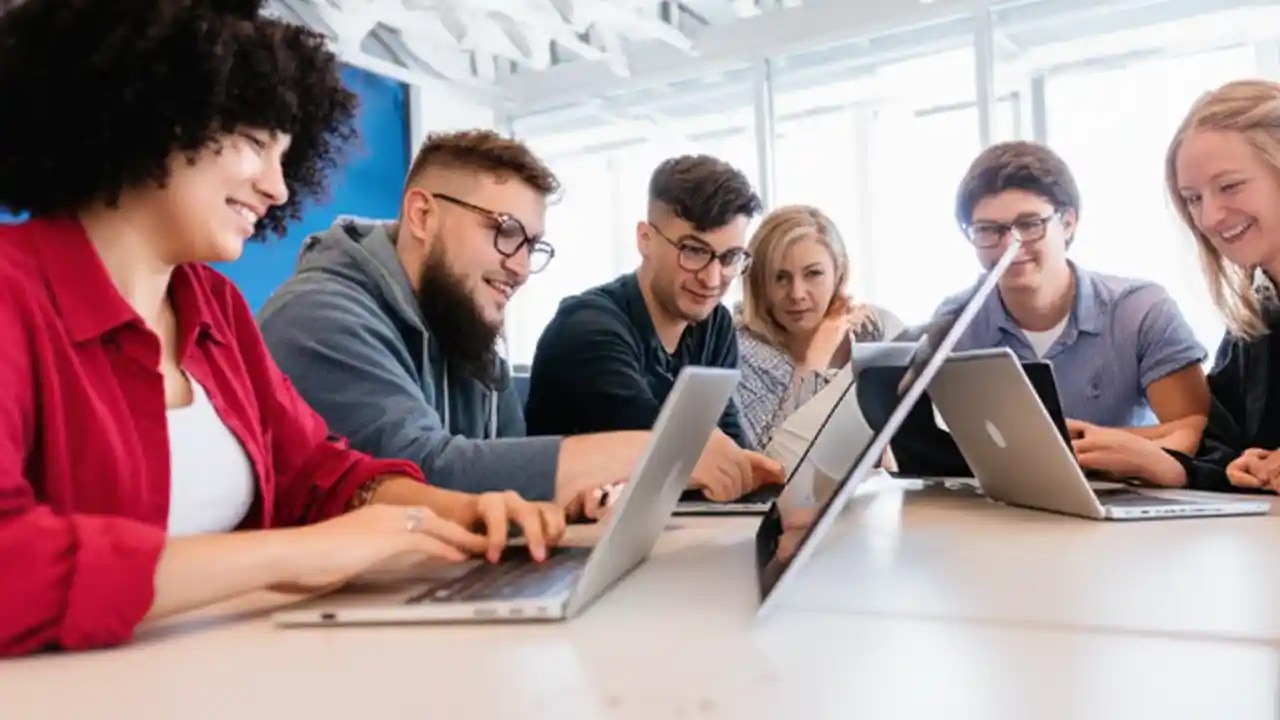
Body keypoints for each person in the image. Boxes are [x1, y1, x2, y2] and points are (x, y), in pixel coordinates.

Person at [0, 0, 561, 658]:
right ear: (151, 110)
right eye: (255, 143)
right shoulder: (14, 297)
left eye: (286, 156)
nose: (276, 187)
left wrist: (445, 511)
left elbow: (320, 473)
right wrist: (295, 553)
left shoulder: (215, 309)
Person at [259, 130, 653, 512]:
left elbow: (506, 475)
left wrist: (567, 498)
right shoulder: (318, 316)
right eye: (504, 231)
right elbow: (421, 476)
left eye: (531, 246)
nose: (520, 267)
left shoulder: (463, 327)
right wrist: (651, 453)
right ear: (422, 216)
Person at [525, 154, 784, 500]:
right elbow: (661, 455)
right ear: (645, 239)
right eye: (693, 251)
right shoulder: (588, 329)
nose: (711, 278)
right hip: (575, 539)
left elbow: (729, 450)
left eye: (730, 257)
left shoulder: (713, 325)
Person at [933, 141, 1210, 453]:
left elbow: (1199, 431)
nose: (1010, 244)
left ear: (1067, 222)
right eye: (987, 230)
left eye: (1029, 224)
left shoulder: (1141, 311)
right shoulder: (955, 323)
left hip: (1128, 491)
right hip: (1003, 498)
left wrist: (1089, 442)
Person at [1073, 79, 1280, 493]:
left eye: (1230, 186)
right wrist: (1165, 465)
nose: (1209, 218)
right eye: (1193, 199)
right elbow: (1224, 446)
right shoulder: (1256, 317)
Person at [735, 204, 904, 452]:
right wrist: (815, 361)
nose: (797, 294)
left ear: (839, 272)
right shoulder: (742, 354)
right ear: (760, 284)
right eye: (780, 278)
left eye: (813, 274)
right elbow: (771, 463)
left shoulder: (876, 330)